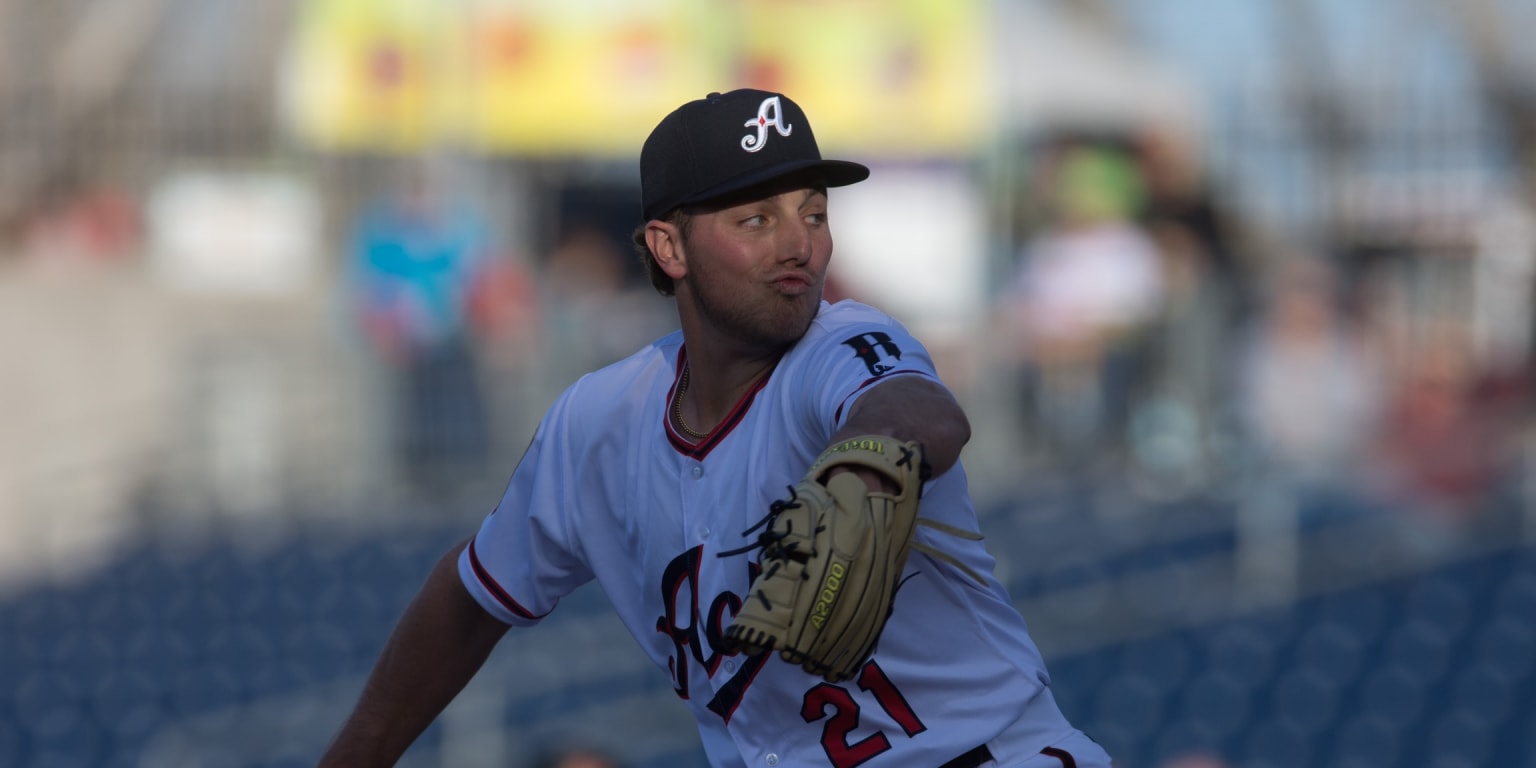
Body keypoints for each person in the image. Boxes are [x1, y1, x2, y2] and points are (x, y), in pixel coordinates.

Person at [318, 89, 1111, 768]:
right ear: (669, 246)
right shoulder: (600, 422)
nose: (799, 241)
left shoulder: (836, 347)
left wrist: (866, 469)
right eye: (755, 218)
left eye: (813, 212)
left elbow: (920, 410)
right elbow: (467, 599)